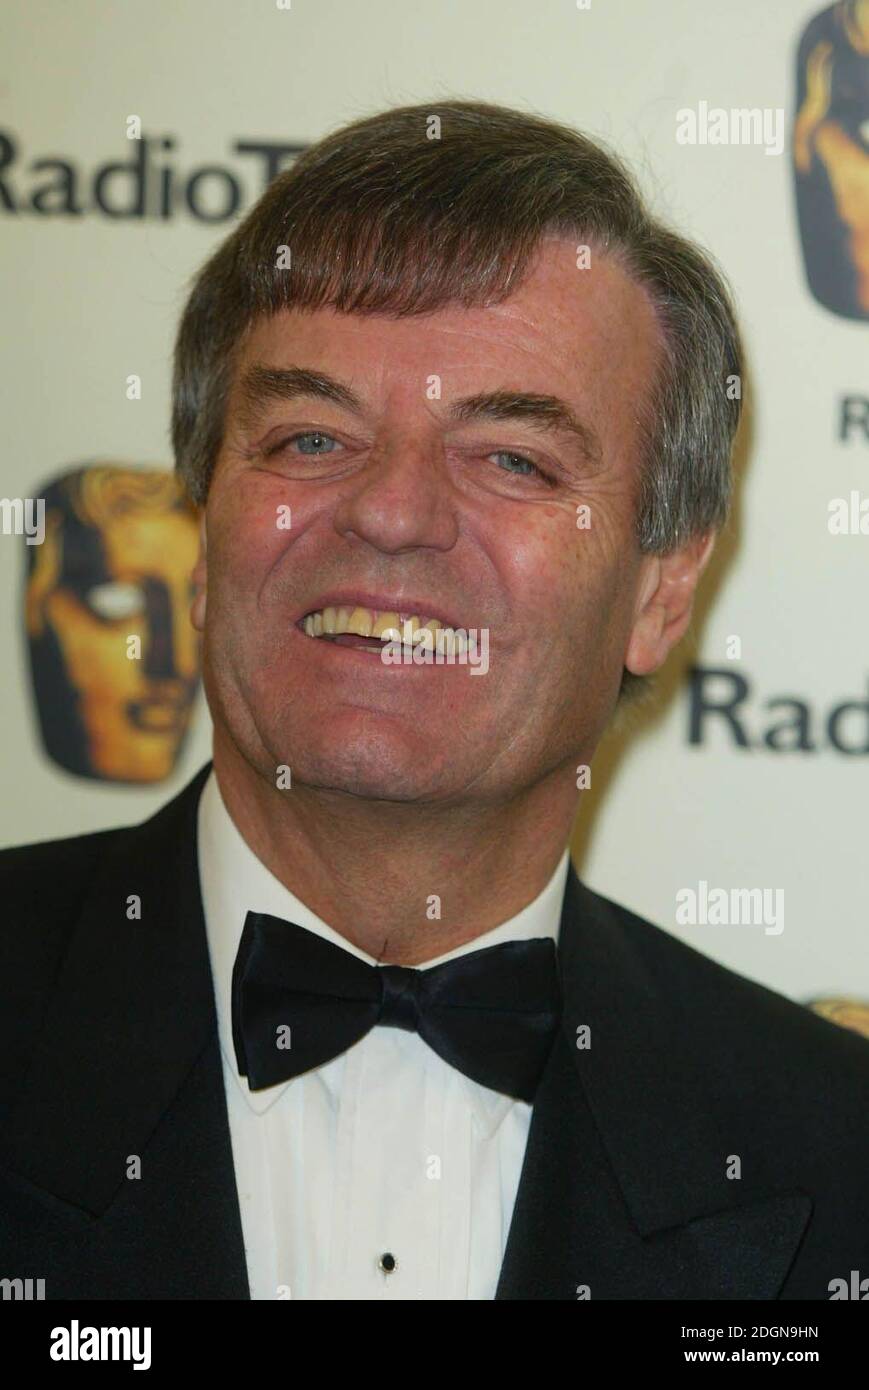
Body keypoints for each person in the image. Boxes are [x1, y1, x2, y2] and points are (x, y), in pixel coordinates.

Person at [2, 100, 868, 1302]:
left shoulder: (837, 1150)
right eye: (310, 437)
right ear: (203, 527)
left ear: (660, 590)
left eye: (512, 458)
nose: (392, 513)